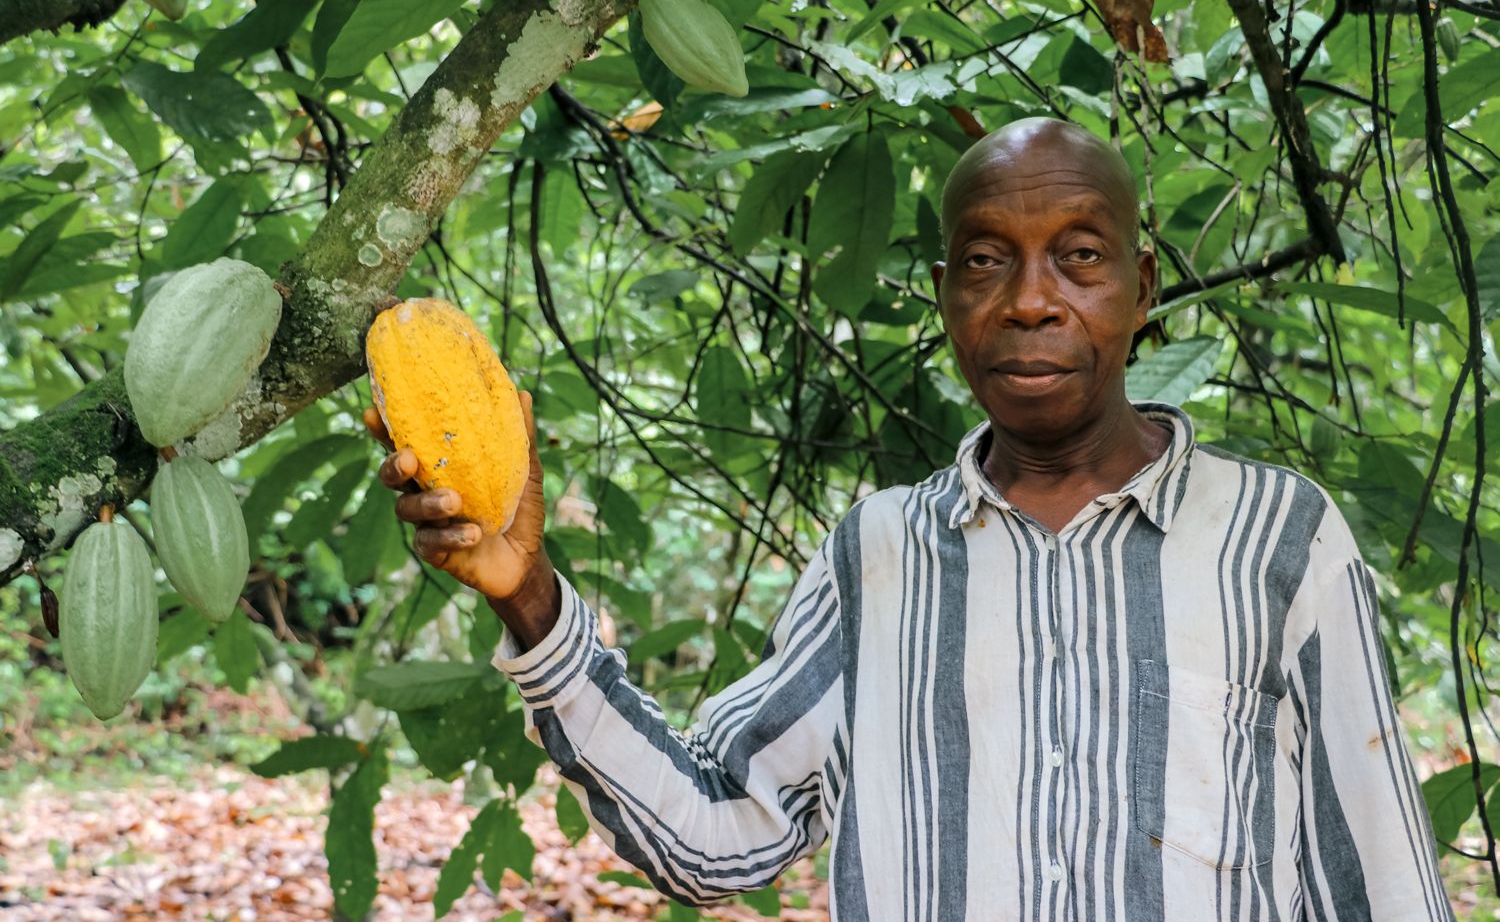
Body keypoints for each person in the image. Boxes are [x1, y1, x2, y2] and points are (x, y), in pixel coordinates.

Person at [364, 117, 1453, 920]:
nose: (1031, 299)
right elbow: (715, 834)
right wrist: (528, 594)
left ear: (1141, 285)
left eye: (1079, 256)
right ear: (945, 298)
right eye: (987, 261)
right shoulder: (877, 557)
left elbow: (1383, 881)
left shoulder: (1279, 538)